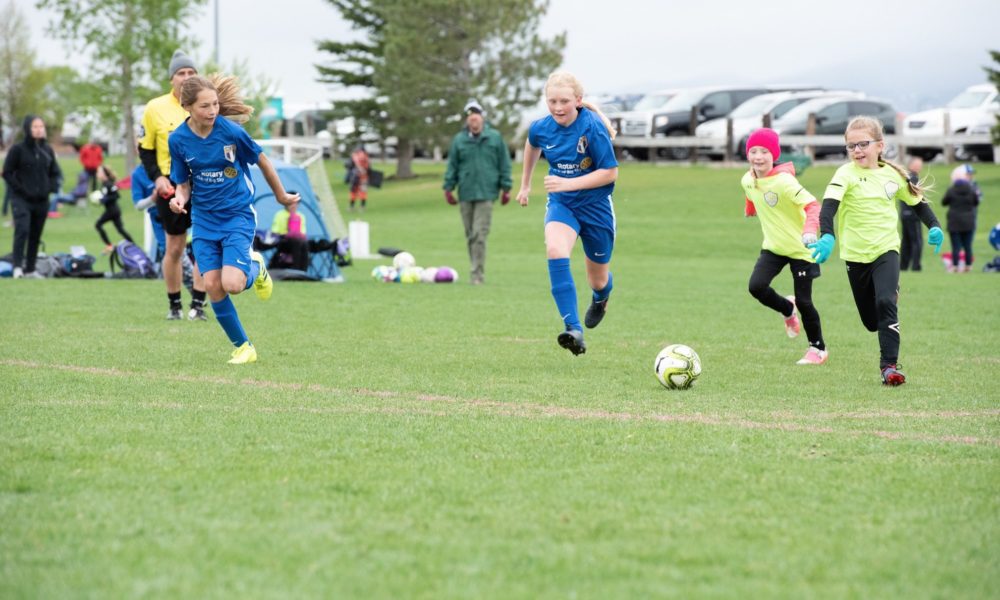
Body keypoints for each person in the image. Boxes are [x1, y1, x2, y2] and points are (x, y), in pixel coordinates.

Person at [168, 74, 300, 364]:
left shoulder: (231, 132)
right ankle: (244, 348)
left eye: (215, 104)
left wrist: (281, 196)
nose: (213, 111)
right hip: (203, 220)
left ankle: (256, 266)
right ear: (186, 106)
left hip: (237, 215)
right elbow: (183, 184)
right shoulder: (178, 140)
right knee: (212, 285)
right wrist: (179, 200)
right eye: (205, 106)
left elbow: (262, 160)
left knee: (233, 284)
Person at [808, 116, 943, 386]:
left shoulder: (892, 175)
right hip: (855, 256)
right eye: (851, 146)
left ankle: (889, 367)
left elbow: (918, 203)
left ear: (880, 145)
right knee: (872, 322)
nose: (857, 150)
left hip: (886, 250)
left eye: (863, 144)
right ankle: (889, 298)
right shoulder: (844, 174)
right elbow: (829, 207)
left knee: (885, 303)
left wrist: (934, 226)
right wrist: (827, 237)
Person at [515, 71, 618, 355]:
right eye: (552, 101)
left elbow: (610, 172)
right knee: (555, 251)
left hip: (596, 208)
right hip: (562, 204)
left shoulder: (592, 127)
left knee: (597, 279)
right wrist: (525, 185)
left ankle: (601, 297)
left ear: (578, 100)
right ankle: (573, 330)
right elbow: (531, 144)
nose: (558, 107)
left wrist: (569, 182)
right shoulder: (541, 127)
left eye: (564, 101)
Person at [741, 128, 828, 365]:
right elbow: (751, 193)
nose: (758, 156)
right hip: (774, 247)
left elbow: (813, 206)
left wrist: (810, 230)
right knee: (756, 287)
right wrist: (750, 209)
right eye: (753, 151)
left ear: (774, 154)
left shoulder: (785, 182)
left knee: (806, 301)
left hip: (801, 249)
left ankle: (818, 349)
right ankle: (787, 309)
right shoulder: (747, 179)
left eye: (764, 152)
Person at [139, 49, 208, 320]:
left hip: (203, 181)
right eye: (182, 73)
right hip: (170, 183)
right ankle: (175, 305)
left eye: (192, 72)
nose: (187, 77)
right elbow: (145, 149)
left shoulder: (205, 104)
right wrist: (157, 177)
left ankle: (199, 305)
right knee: (175, 247)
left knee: (205, 244)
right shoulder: (155, 107)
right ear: (172, 78)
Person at [443, 99, 512, 285]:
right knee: (470, 235)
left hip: (486, 192)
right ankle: (475, 269)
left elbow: (504, 164)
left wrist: (506, 188)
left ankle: (477, 275)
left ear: (481, 117)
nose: (473, 119)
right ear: (467, 120)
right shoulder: (459, 140)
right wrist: (448, 188)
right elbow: (452, 166)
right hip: (466, 192)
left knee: (479, 234)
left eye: (476, 115)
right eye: (470, 117)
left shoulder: (495, 138)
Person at [2, 115, 62, 279]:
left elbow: (55, 172)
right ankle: (17, 267)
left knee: (36, 234)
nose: (38, 129)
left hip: (41, 201)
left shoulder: (47, 150)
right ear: (28, 129)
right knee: (22, 230)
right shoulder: (18, 149)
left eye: (41, 126)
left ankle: (30, 269)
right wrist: (20, 189)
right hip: (22, 199)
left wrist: (51, 187)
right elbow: (7, 172)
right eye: (35, 127)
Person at [941, 164, 981, 273]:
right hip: (969, 221)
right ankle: (968, 266)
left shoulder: (951, 190)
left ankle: (955, 266)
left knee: (956, 246)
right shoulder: (971, 189)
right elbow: (976, 202)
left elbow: (944, 202)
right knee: (968, 246)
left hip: (954, 221)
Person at [93, 165, 135, 252]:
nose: (97, 174)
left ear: (104, 174)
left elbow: (116, 195)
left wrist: (104, 199)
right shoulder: (103, 184)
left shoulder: (109, 184)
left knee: (98, 225)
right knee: (120, 229)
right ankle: (133, 245)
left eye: (99, 172)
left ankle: (109, 245)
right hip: (112, 210)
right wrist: (100, 200)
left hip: (113, 211)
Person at [899, 156, 924, 271]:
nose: (920, 167)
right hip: (913, 215)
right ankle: (916, 266)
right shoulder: (913, 179)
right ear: (911, 165)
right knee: (917, 241)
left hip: (904, 214)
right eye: (918, 164)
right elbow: (917, 197)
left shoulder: (904, 177)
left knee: (906, 241)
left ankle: (903, 266)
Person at [270, 202, 310, 271]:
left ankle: (303, 271)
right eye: (291, 203)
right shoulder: (279, 214)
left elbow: (303, 232)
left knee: (304, 243)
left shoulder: (300, 216)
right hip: (283, 241)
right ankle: (296, 270)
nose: (293, 206)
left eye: (296, 204)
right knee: (297, 242)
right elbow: (274, 231)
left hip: (298, 240)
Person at [347, 147, 370, 212]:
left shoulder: (355, 156)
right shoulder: (365, 156)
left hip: (355, 177)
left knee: (353, 192)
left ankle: (352, 207)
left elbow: (348, 165)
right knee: (362, 192)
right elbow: (368, 167)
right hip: (363, 177)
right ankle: (362, 207)